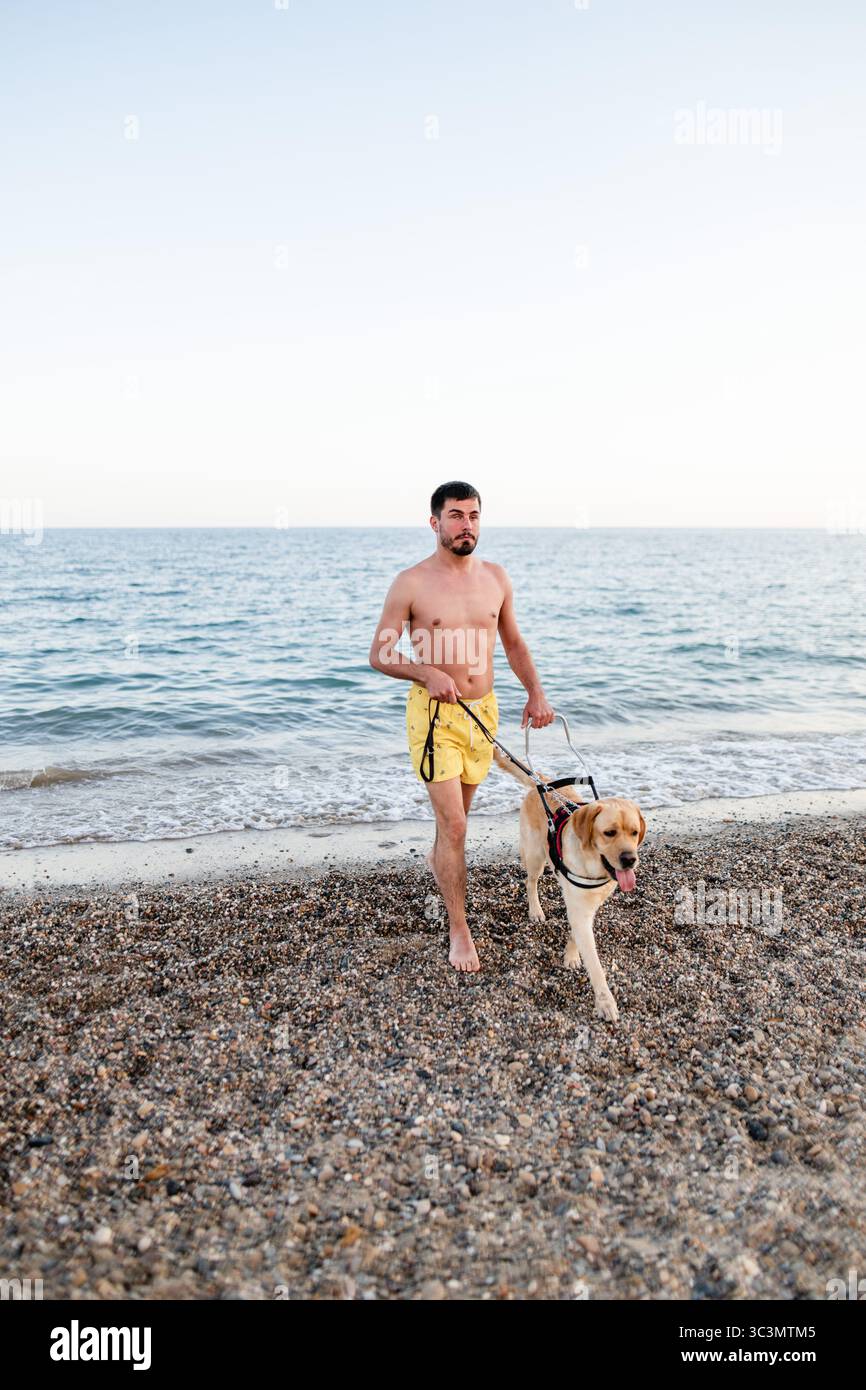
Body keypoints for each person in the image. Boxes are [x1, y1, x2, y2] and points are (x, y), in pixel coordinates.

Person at [369, 481, 554, 971]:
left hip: (483, 713)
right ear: (435, 523)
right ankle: (459, 928)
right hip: (435, 719)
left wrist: (535, 691)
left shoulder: (496, 577)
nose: (466, 524)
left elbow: (513, 643)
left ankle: (440, 860)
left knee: (458, 823)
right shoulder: (411, 583)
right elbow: (381, 653)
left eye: (473, 515)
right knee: (453, 826)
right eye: (455, 516)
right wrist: (426, 671)